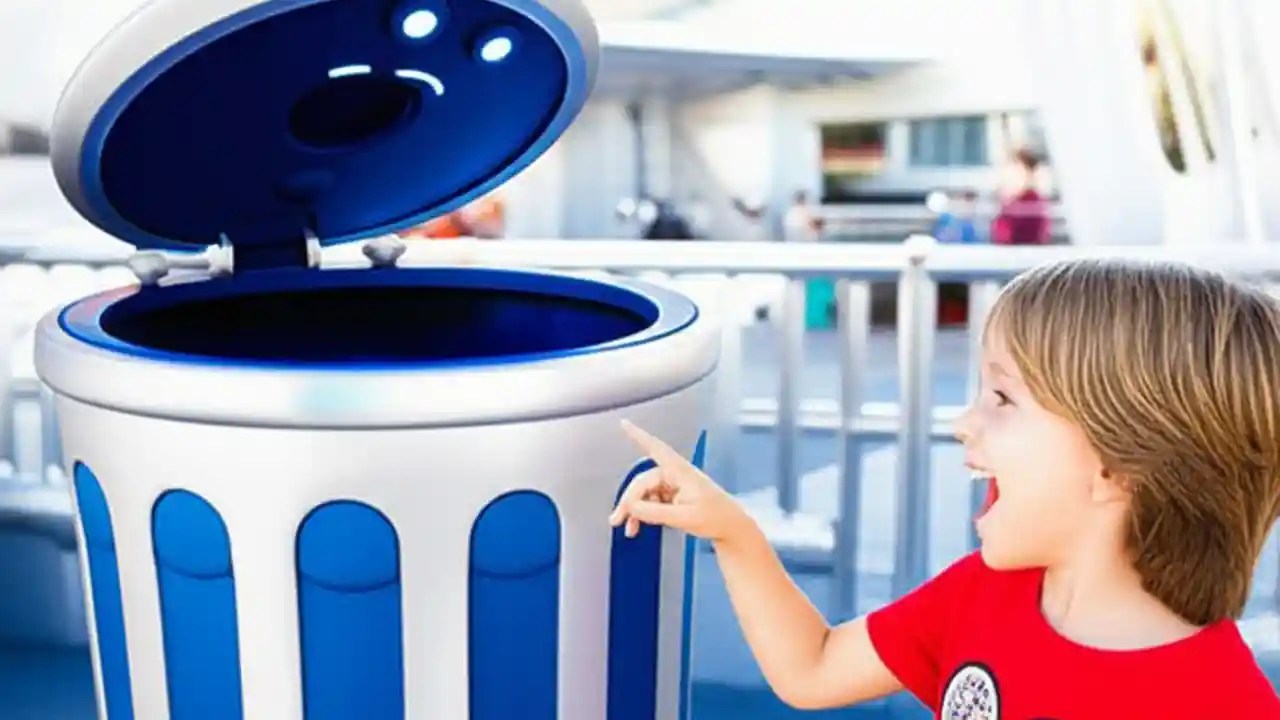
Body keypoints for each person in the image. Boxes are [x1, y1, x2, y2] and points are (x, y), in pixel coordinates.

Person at [610, 257, 1280, 718]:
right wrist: (734, 531)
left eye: (1001, 398)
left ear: (1118, 465)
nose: (965, 424)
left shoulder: (1225, 703)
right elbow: (813, 669)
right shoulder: (981, 594)